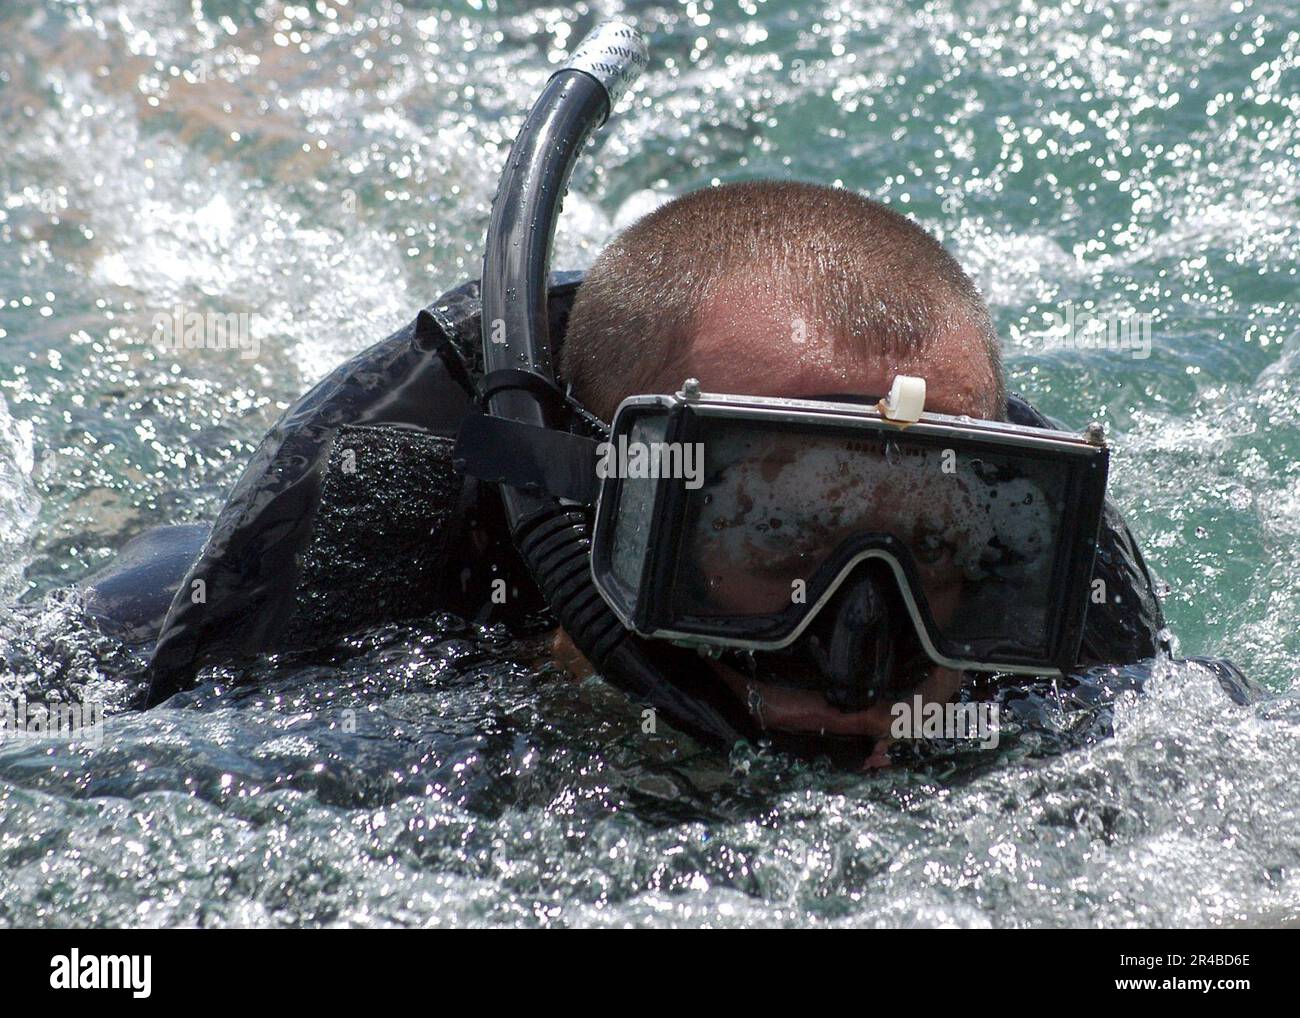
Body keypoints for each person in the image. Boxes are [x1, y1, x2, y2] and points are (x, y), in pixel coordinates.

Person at [82, 179, 1190, 762]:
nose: (862, 653)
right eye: (771, 531)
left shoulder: (1051, 678)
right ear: (590, 506)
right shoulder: (302, 673)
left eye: (938, 548)